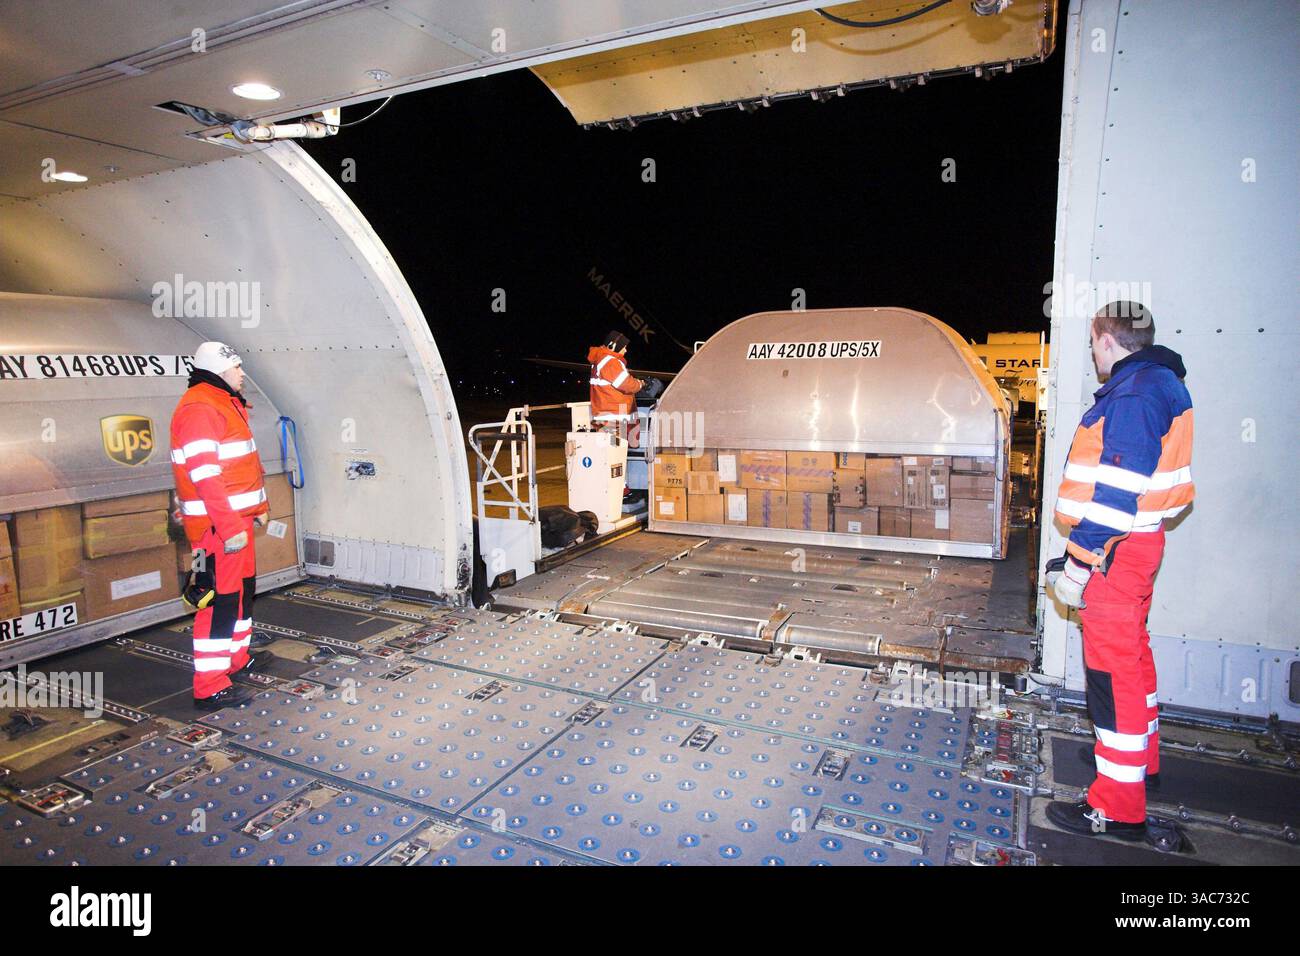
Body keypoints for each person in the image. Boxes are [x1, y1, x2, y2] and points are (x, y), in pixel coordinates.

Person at [1045, 301, 1194, 839]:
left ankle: (1115, 807)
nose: (1092, 353)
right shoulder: (1161, 382)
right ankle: (1139, 764)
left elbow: (1115, 496)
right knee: (1133, 657)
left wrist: (1080, 564)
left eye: (1092, 343)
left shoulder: (1132, 395)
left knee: (1112, 677)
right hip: (1138, 546)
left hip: (1114, 551)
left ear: (1105, 339)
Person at [170, 342, 270, 710]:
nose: (242, 374)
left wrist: (258, 507)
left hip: (236, 523)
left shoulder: (223, 401)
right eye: (238, 368)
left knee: (242, 593)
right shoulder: (200, 408)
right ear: (220, 370)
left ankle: (235, 661)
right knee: (218, 602)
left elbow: (241, 466)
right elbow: (205, 477)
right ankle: (209, 686)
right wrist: (229, 528)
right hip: (217, 529)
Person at [588, 330, 644, 446]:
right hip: (612, 418)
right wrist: (640, 384)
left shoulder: (601, 359)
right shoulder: (610, 361)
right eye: (624, 347)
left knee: (610, 455)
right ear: (613, 346)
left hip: (608, 415)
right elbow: (626, 384)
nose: (626, 350)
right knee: (614, 455)